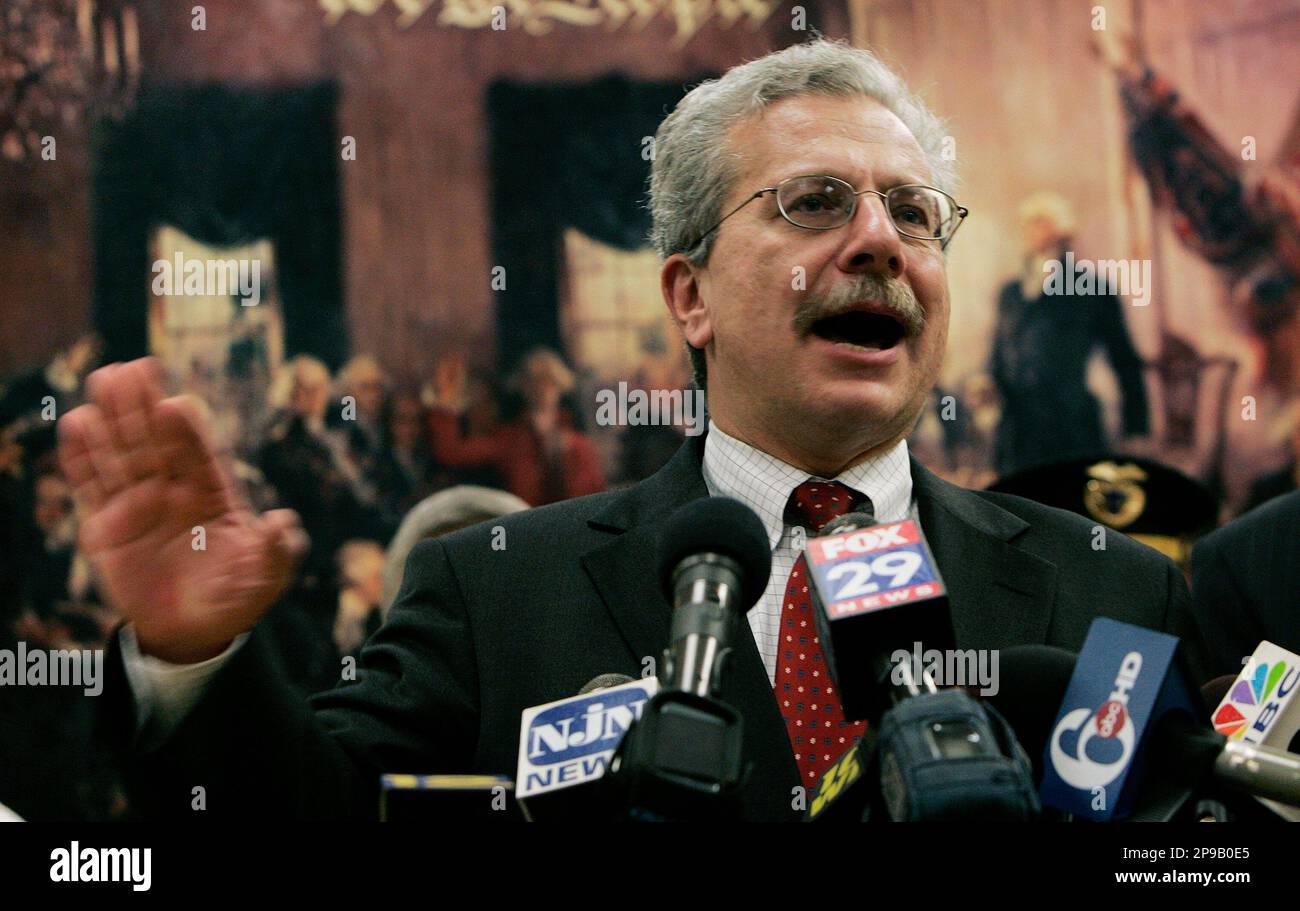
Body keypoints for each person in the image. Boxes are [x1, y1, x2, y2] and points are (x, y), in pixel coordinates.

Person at [59, 40, 1206, 820]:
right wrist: (194, 665)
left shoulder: (1111, 591)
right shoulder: (491, 592)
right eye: (815, 201)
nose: (880, 241)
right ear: (688, 295)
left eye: (914, 212)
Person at [988, 192, 1150, 476]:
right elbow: (998, 353)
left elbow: (1124, 359)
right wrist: (987, 388)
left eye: (1039, 221)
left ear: (1061, 228)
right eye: (1026, 223)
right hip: (1017, 431)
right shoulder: (1010, 292)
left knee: (1068, 505)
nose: (1029, 229)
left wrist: (1135, 428)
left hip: (1070, 425)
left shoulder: (1091, 288)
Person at [426, 348, 606, 505]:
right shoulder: (510, 438)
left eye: (548, 380)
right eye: (535, 380)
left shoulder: (579, 443)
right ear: (523, 386)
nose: (542, 387)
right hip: (525, 533)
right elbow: (452, 453)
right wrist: (445, 403)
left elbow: (593, 495)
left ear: (560, 384)